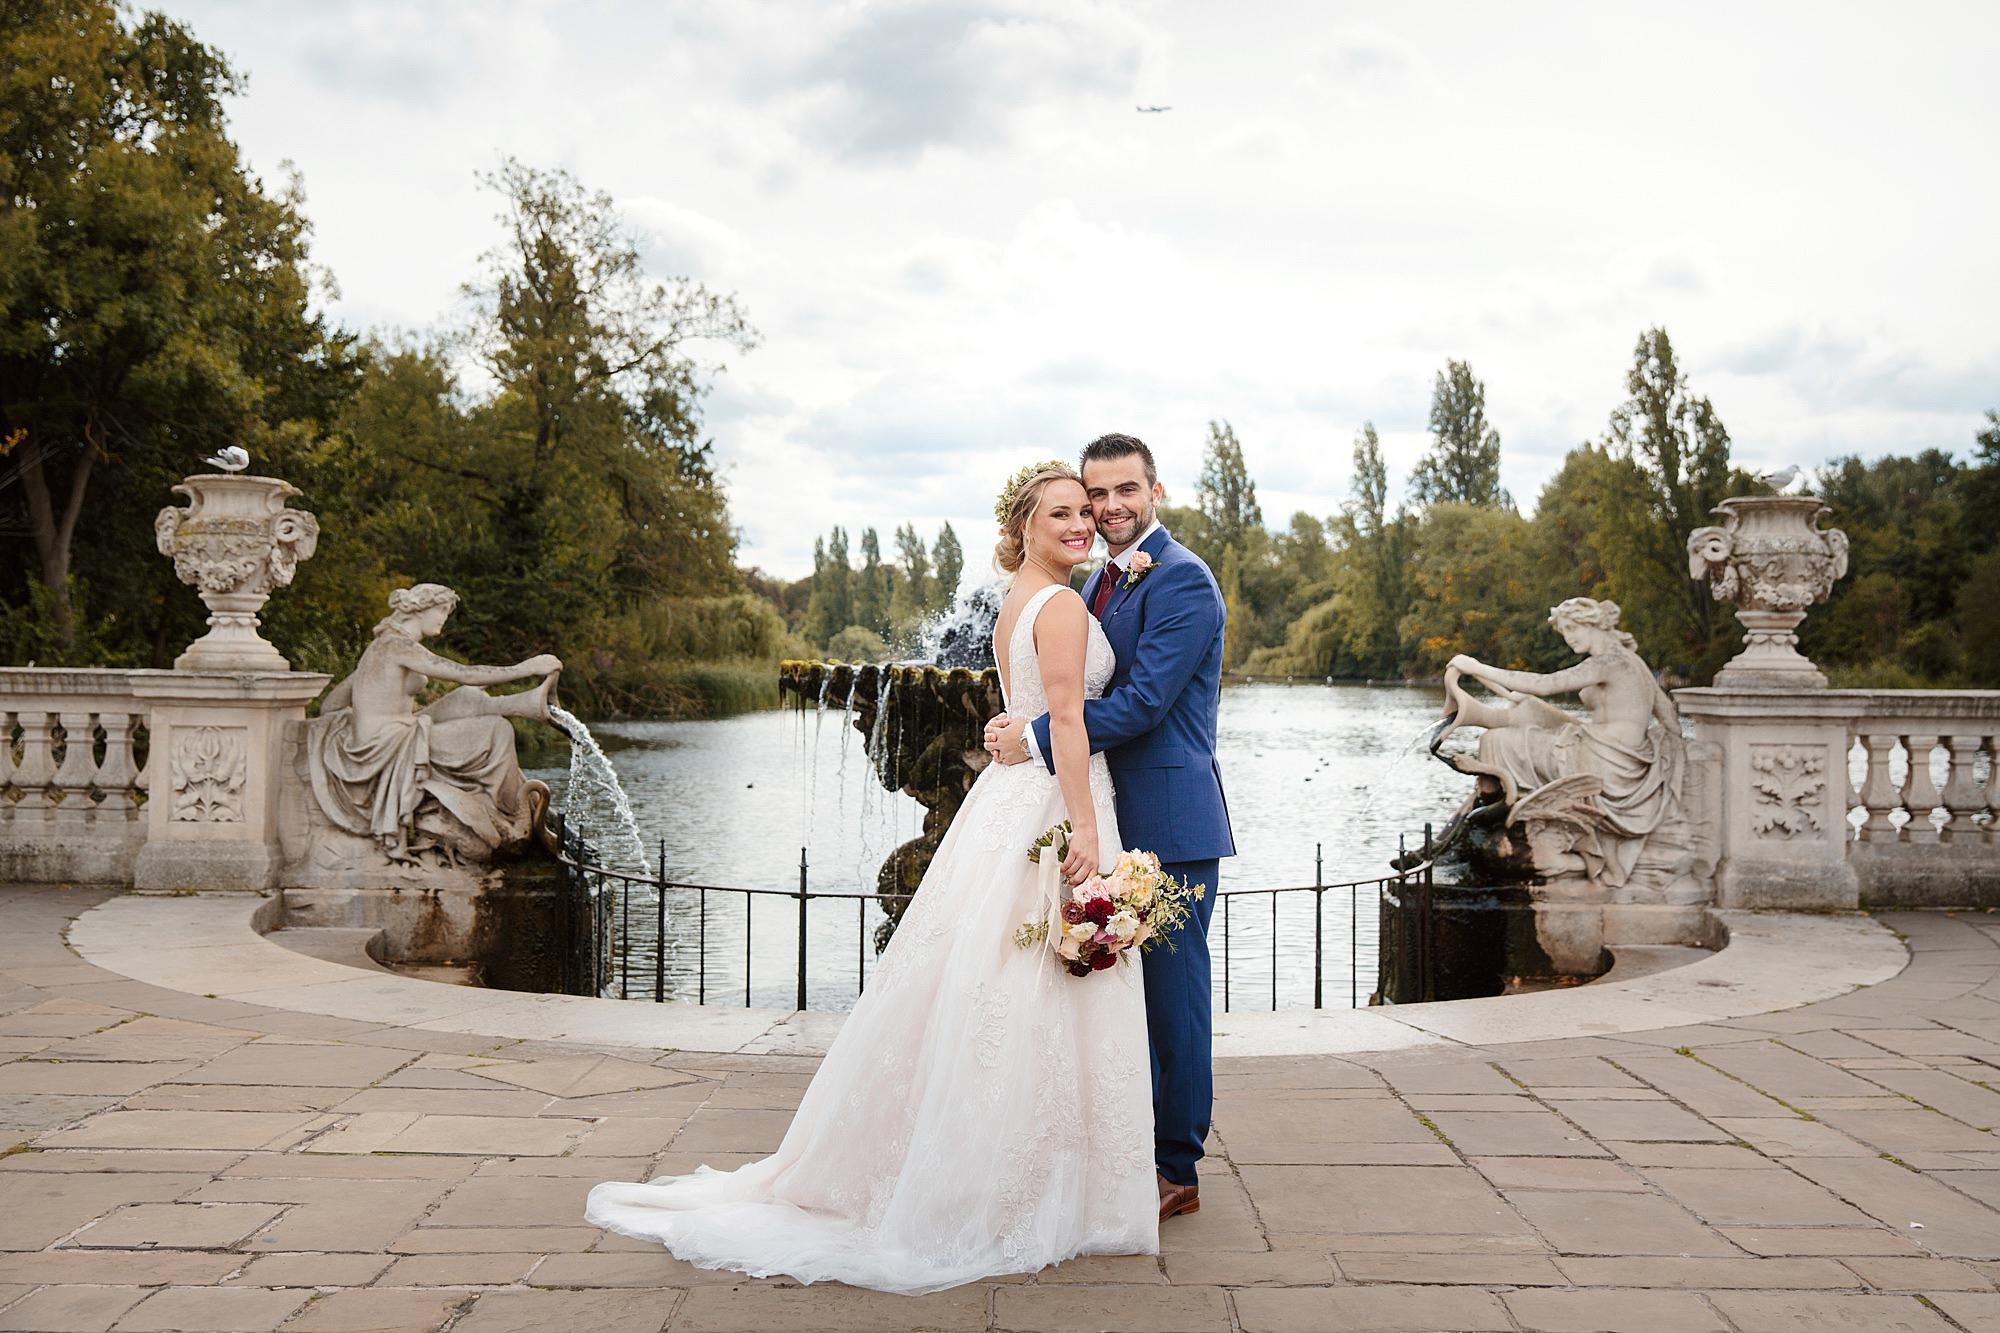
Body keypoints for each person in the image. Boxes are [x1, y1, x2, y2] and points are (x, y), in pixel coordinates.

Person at [586, 462, 1156, 1294]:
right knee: (1034, 986)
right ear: (1026, 524)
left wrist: (1028, 745)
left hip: (1007, 802)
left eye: (1085, 511)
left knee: (991, 981)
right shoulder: (1064, 605)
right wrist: (1087, 830)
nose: (1081, 523)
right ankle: (1029, 1187)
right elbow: (1066, 721)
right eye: (1062, 512)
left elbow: (1031, 711)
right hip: (1051, 806)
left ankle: (977, 1166)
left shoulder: (1016, 601)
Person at [983, 432, 1234, 1224]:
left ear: (1155, 490)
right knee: (1113, 999)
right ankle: (1113, 1148)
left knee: (1175, 1000)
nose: (1110, 507)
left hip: (1173, 821)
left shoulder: (1185, 582)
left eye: (1127, 489)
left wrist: (1033, 738)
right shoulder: (1097, 584)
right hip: (1109, 812)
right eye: (1098, 494)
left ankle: (1176, 1168)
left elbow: (1142, 705)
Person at [307, 583, 560, 865]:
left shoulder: (381, 646)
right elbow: (464, 673)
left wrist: (358, 719)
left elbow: (330, 704)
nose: (443, 618)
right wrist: (526, 668)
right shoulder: (398, 646)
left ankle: (523, 704)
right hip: (389, 743)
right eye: (440, 610)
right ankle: (507, 812)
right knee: (497, 730)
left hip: (388, 733)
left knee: (465, 698)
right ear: (420, 609)